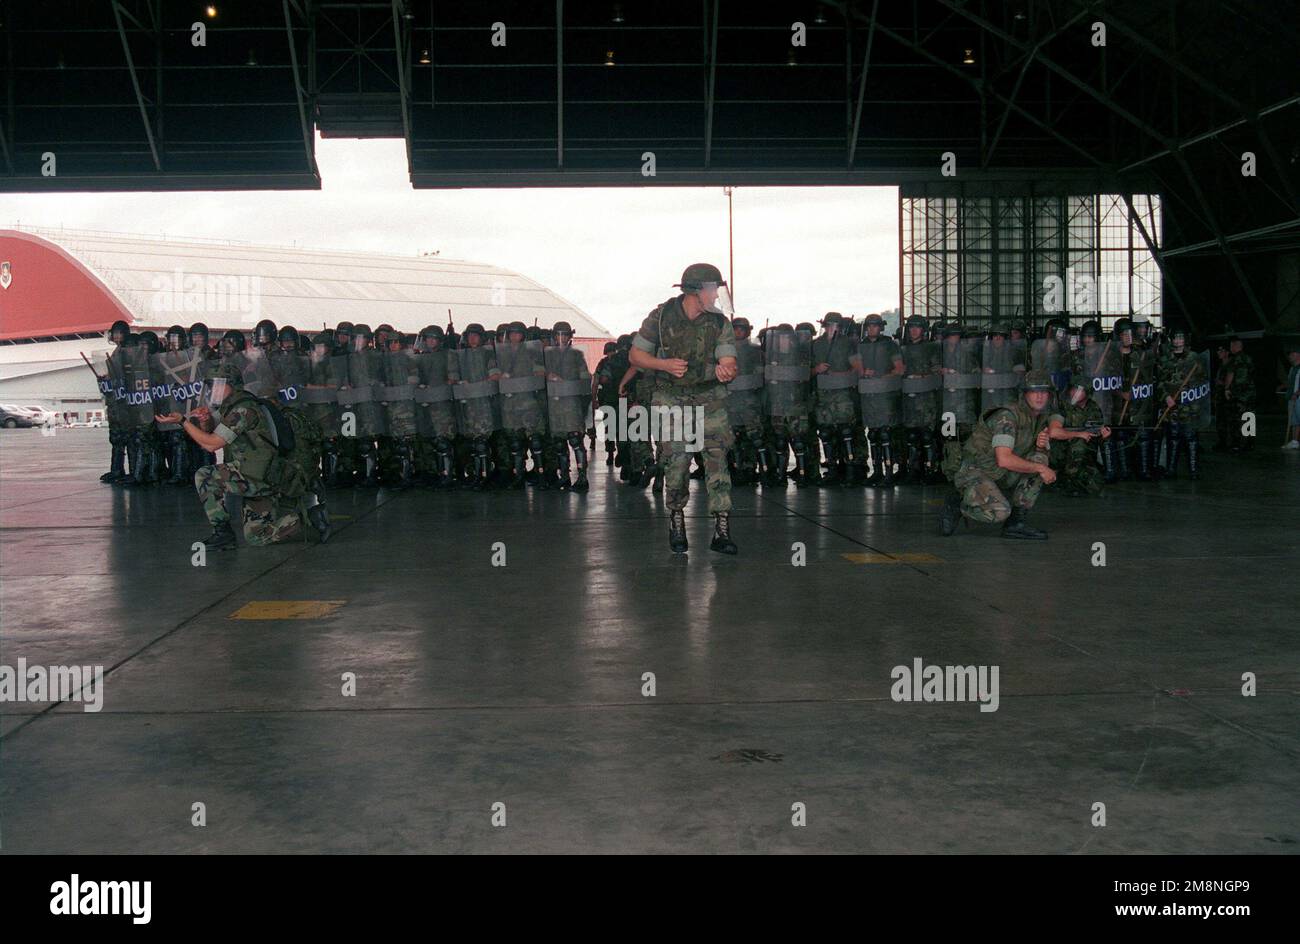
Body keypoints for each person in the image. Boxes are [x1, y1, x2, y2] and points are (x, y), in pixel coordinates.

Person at [629, 263, 739, 554]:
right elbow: (636, 355)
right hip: (670, 397)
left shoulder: (719, 322)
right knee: (676, 461)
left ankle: (722, 529)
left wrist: (728, 369)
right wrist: (662, 364)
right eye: (713, 289)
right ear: (696, 291)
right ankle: (677, 520)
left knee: (718, 461)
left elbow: (728, 358)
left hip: (709, 399)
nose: (716, 295)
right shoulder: (661, 316)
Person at [939, 369, 1096, 540]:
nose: (1039, 397)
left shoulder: (1039, 418)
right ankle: (959, 505)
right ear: (1024, 394)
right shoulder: (1008, 417)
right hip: (975, 471)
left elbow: (1044, 442)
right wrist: (1041, 468)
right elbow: (1004, 459)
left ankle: (1016, 523)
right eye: (1034, 391)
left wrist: (1041, 447)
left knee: (1040, 458)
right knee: (999, 512)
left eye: (1044, 392)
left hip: (999, 472)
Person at [159, 363, 285, 550]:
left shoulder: (242, 410)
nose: (213, 390)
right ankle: (305, 517)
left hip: (257, 477)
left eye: (218, 384)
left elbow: (211, 444)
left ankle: (222, 533)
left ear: (232, 384)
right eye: (211, 385)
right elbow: (212, 431)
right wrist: (206, 420)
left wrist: (183, 422)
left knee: (205, 476)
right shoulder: (233, 405)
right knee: (256, 537)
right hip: (258, 474)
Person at [1284, 344, 1300, 450]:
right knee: (1294, 421)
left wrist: (1297, 393)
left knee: (1298, 419)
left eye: (1292, 354)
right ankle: (1294, 441)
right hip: (1292, 398)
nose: (1290, 356)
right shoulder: (1292, 368)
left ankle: (1295, 441)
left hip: (1298, 398)